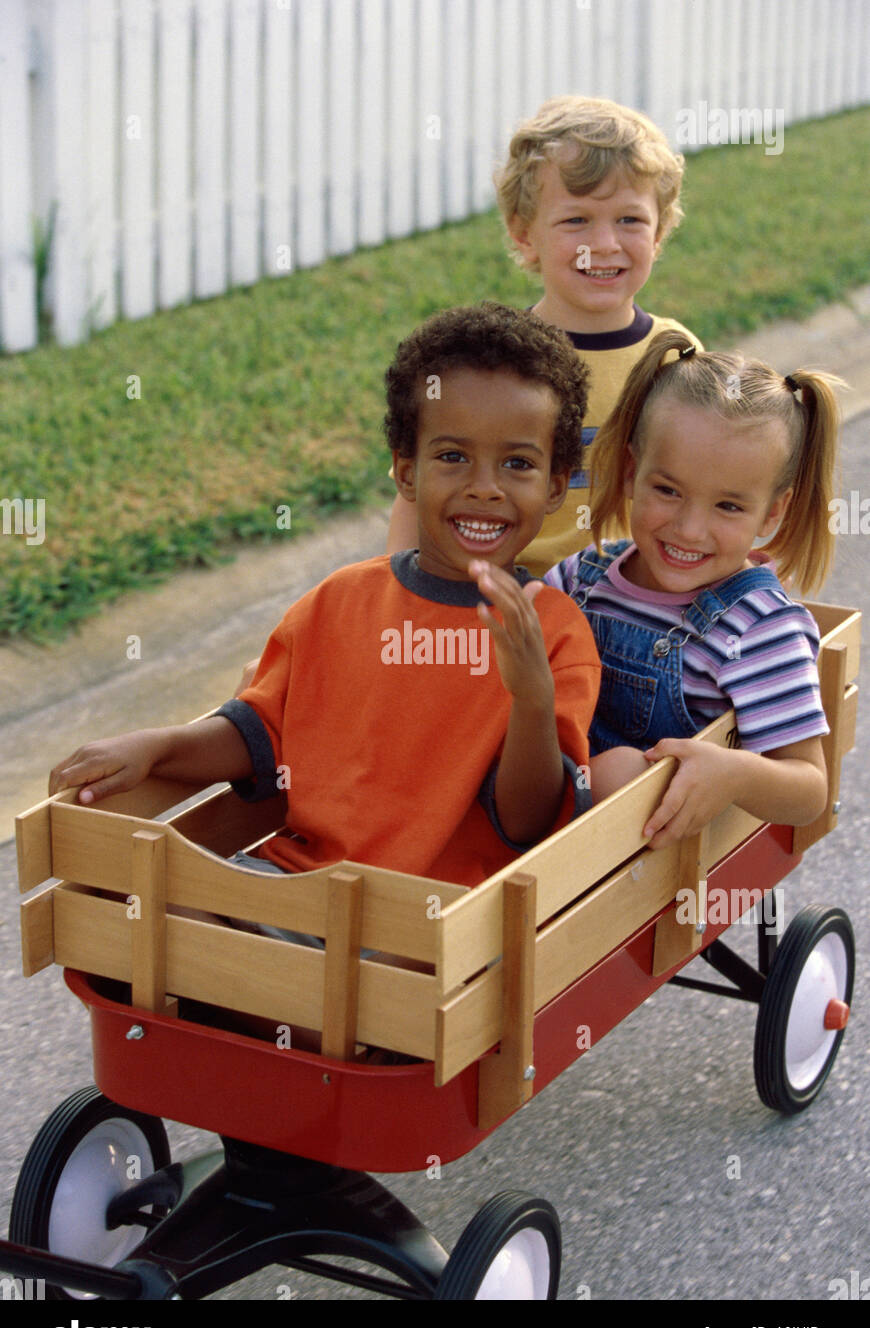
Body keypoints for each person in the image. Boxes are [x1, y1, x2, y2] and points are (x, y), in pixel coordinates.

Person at [49, 304, 602, 895]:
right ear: (406, 472)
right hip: (296, 887)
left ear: (552, 486)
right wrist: (154, 747)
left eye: (517, 463)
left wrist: (530, 696)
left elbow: (530, 822)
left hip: (431, 920)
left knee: (174, 926)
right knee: (132, 901)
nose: (484, 487)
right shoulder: (338, 604)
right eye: (452, 456)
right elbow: (259, 734)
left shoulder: (553, 632)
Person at [545, 330, 843, 850]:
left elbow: (809, 789)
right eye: (668, 491)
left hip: (644, 857)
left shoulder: (757, 628)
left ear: (772, 512)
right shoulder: (582, 575)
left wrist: (733, 772)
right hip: (539, 805)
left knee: (616, 772)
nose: (688, 529)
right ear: (634, 472)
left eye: (728, 506)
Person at [385, 95, 703, 575]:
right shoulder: (491, 361)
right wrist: (395, 597)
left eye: (630, 220)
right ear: (523, 233)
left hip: (634, 603)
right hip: (504, 594)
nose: (604, 244)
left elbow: (709, 485)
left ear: (659, 234)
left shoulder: (675, 357)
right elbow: (418, 498)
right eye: (576, 220)